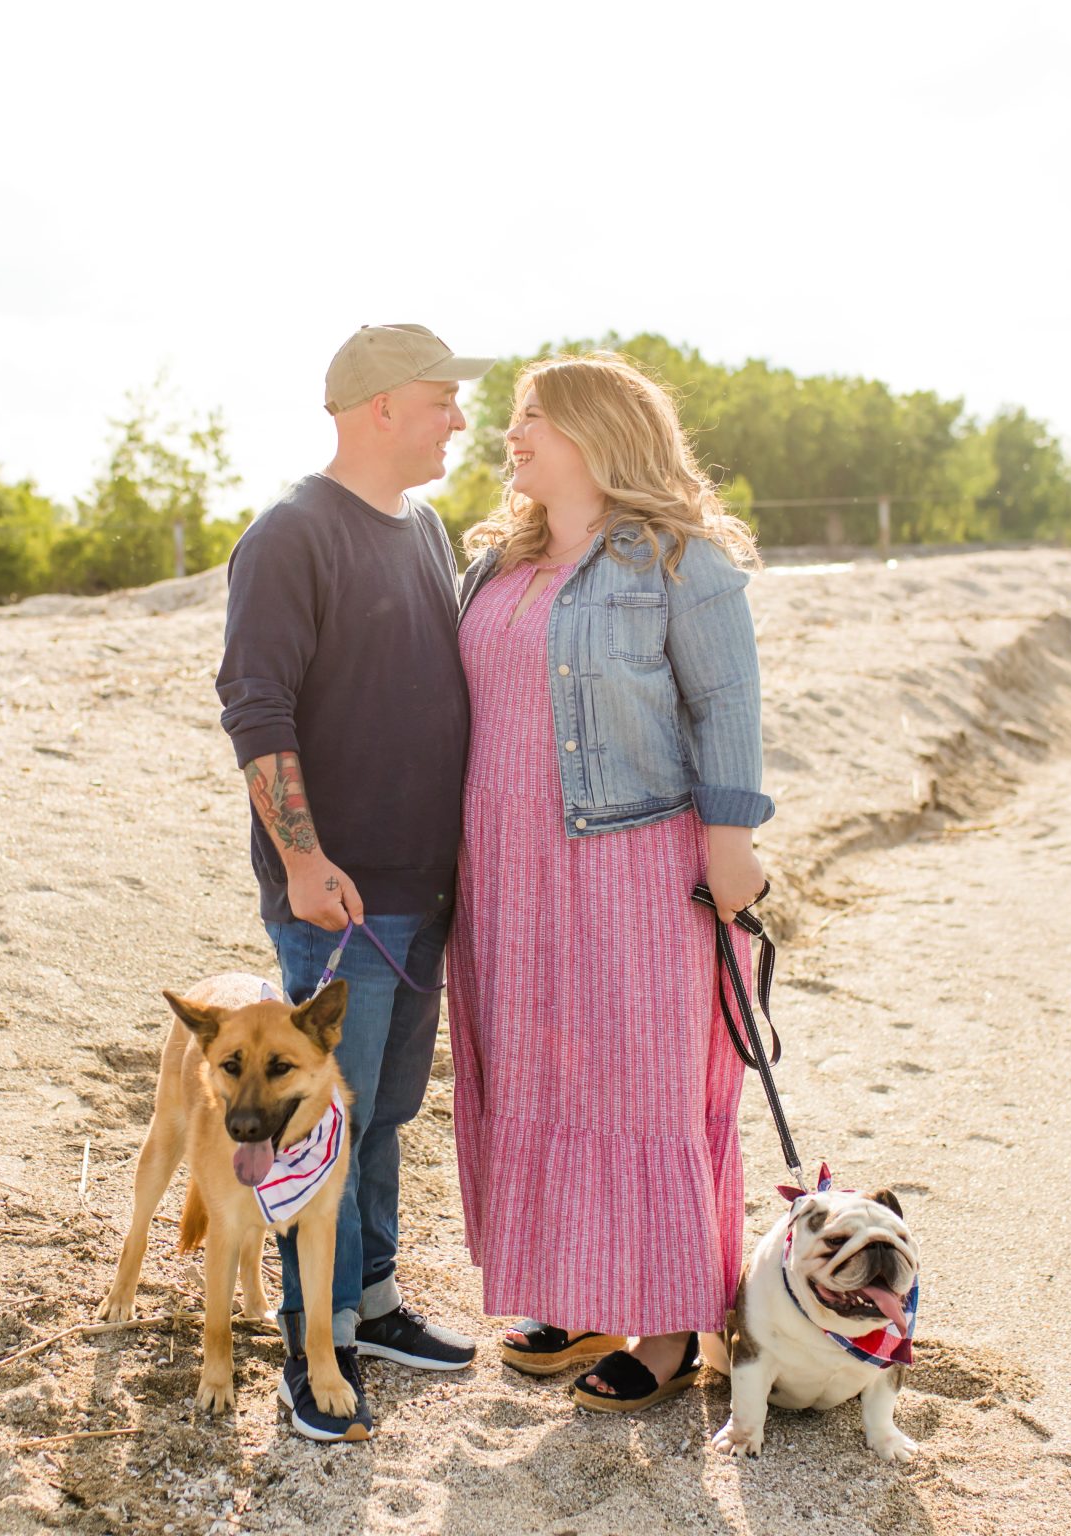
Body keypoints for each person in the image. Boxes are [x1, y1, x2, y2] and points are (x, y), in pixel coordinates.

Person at [446, 350, 771, 1413]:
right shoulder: (495, 562)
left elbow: (725, 706)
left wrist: (732, 843)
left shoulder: (679, 562)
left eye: (534, 415)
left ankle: (673, 1326)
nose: (513, 433)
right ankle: (582, 1294)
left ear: (597, 432)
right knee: (542, 1071)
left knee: (640, 1080)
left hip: (629, 857)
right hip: (503, 863)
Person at [215, 323, 491, 1441]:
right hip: (338, 898)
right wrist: (300, 857)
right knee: (318, 1129)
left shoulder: (422, 529)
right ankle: (309, 1345)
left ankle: (370, 1302)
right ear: (380, 406)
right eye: (441, 399)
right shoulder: (289, 535)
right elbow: (256, 707)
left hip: (423, 893)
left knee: (382, 1114)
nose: (458, 419)